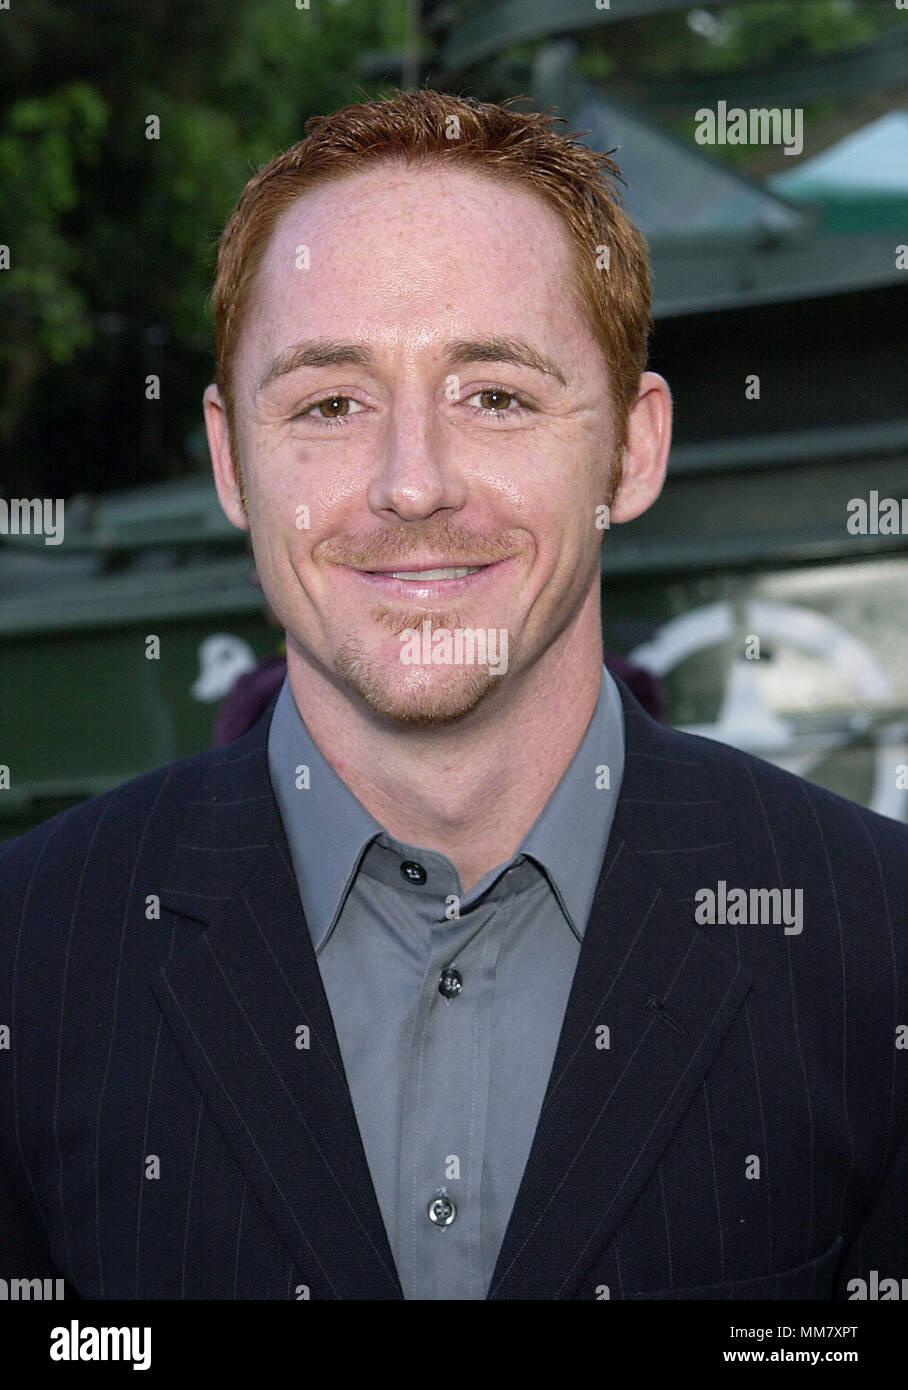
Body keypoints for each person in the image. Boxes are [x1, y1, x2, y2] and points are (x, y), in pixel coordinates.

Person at [1, 90, 906, 1302]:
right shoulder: (27, 957)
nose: (412, 484)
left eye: (495, 394)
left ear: (632, 450)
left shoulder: (876, 947)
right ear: (230, 461)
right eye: (330, 402)